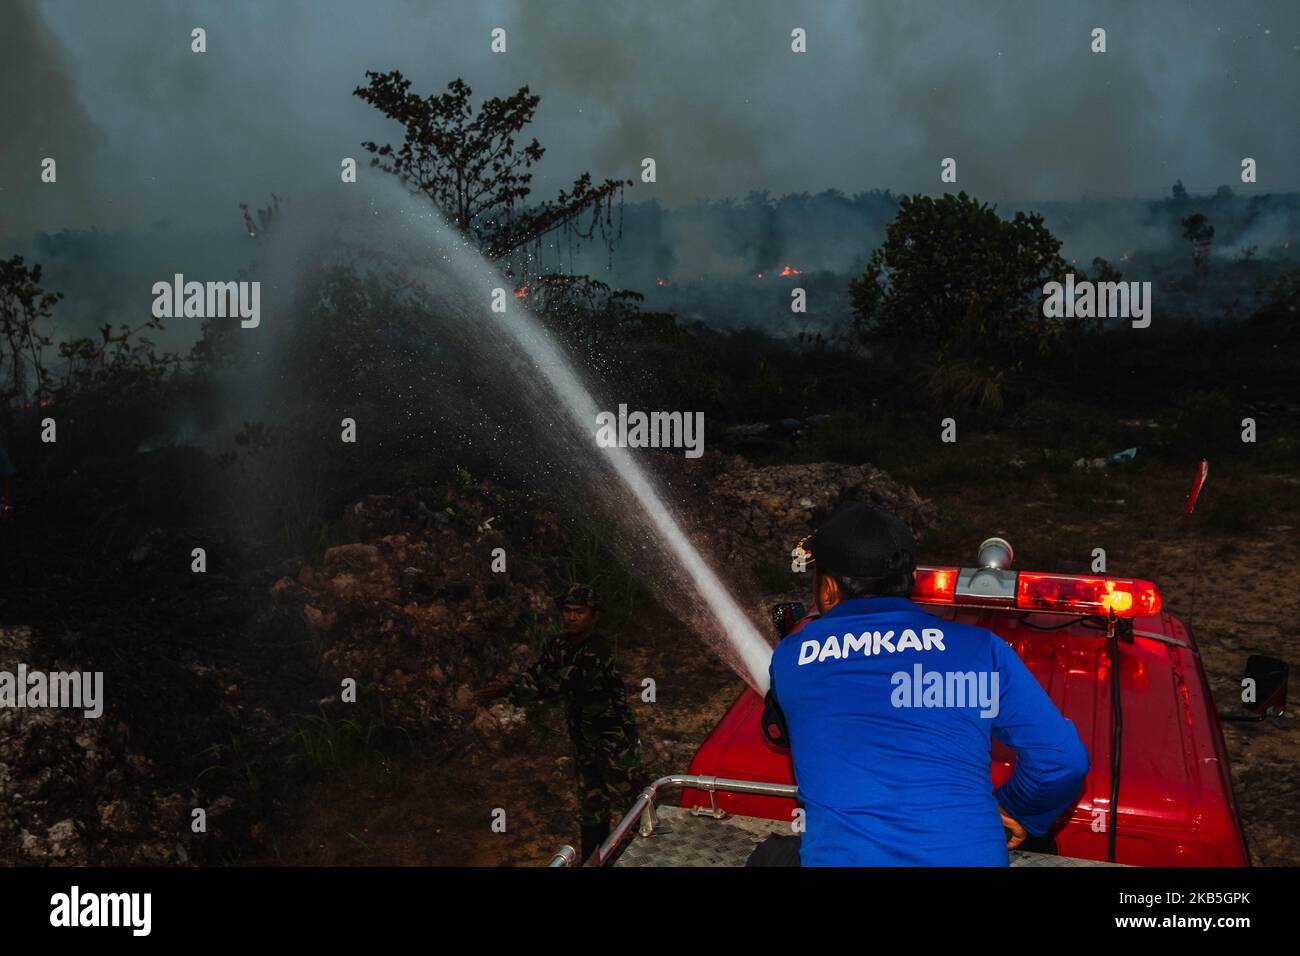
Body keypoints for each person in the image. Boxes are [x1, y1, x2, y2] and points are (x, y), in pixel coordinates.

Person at [766, 502, 1089, 866]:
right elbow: (1062, 759)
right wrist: (1014, 809)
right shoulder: (980, 650)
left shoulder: (793, 657)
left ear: (826, 588)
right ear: (912, 577)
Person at [476, 584, 642, 861]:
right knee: (592, 804)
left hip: (613, 740)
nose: (571, 617)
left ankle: (640, 857)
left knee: (632, 802)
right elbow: (539, 672)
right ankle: (594, 859)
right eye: (567, 611)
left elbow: (558, 683)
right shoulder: (560, 645)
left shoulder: (596, 652)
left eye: (579, 612)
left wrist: (510, 690)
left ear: (594, 616)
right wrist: (512, 683)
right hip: (584, 738)